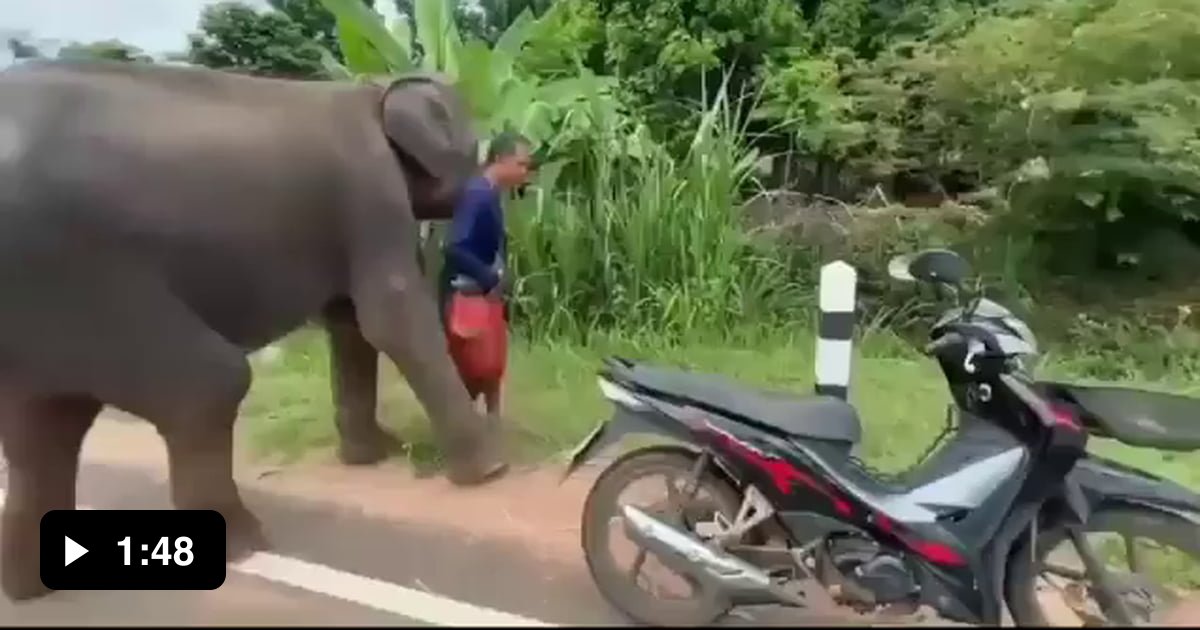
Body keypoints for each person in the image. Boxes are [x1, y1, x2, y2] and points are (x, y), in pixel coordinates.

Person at [439, 131, 533, 416]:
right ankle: (466, 433)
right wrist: (488, 276)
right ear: (501, 159)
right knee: (477, 368)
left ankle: (490, 426)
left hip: (481, 292)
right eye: (521, 164)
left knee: (489, 368)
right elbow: (453, 246)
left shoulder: (488, 193)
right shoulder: (479, 195)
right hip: (468, 292)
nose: (525, 172)